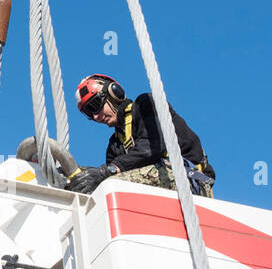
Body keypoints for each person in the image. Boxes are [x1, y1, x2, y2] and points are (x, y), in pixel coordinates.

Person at [65, 73, 215, 196]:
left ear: (114, 93)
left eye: (95, 105)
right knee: (98, 186)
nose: (96, 116)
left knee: (111, 184)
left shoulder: (146, 105)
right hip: (158, 190)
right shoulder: (115, 145)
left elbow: (152, 146)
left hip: (188, 179)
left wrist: (107, 171)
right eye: (89, 113)